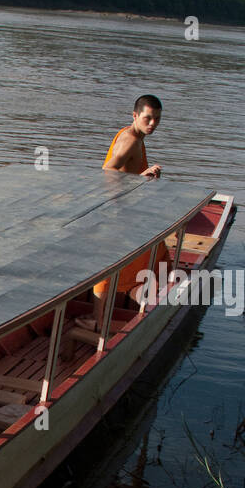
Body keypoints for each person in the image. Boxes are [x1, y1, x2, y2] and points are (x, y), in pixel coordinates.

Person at [87, 94, 167, 331]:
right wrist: (140, 178)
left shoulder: (136, 137)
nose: (152, 124)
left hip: (123, 209)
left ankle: (132, 312)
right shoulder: (131, 140)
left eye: (157, 119)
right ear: (135, 116)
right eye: (147, 118)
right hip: (115, 213)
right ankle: (98, 322)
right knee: (110, 270)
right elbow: (107, 171)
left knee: (157, 254)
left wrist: (143, 178)